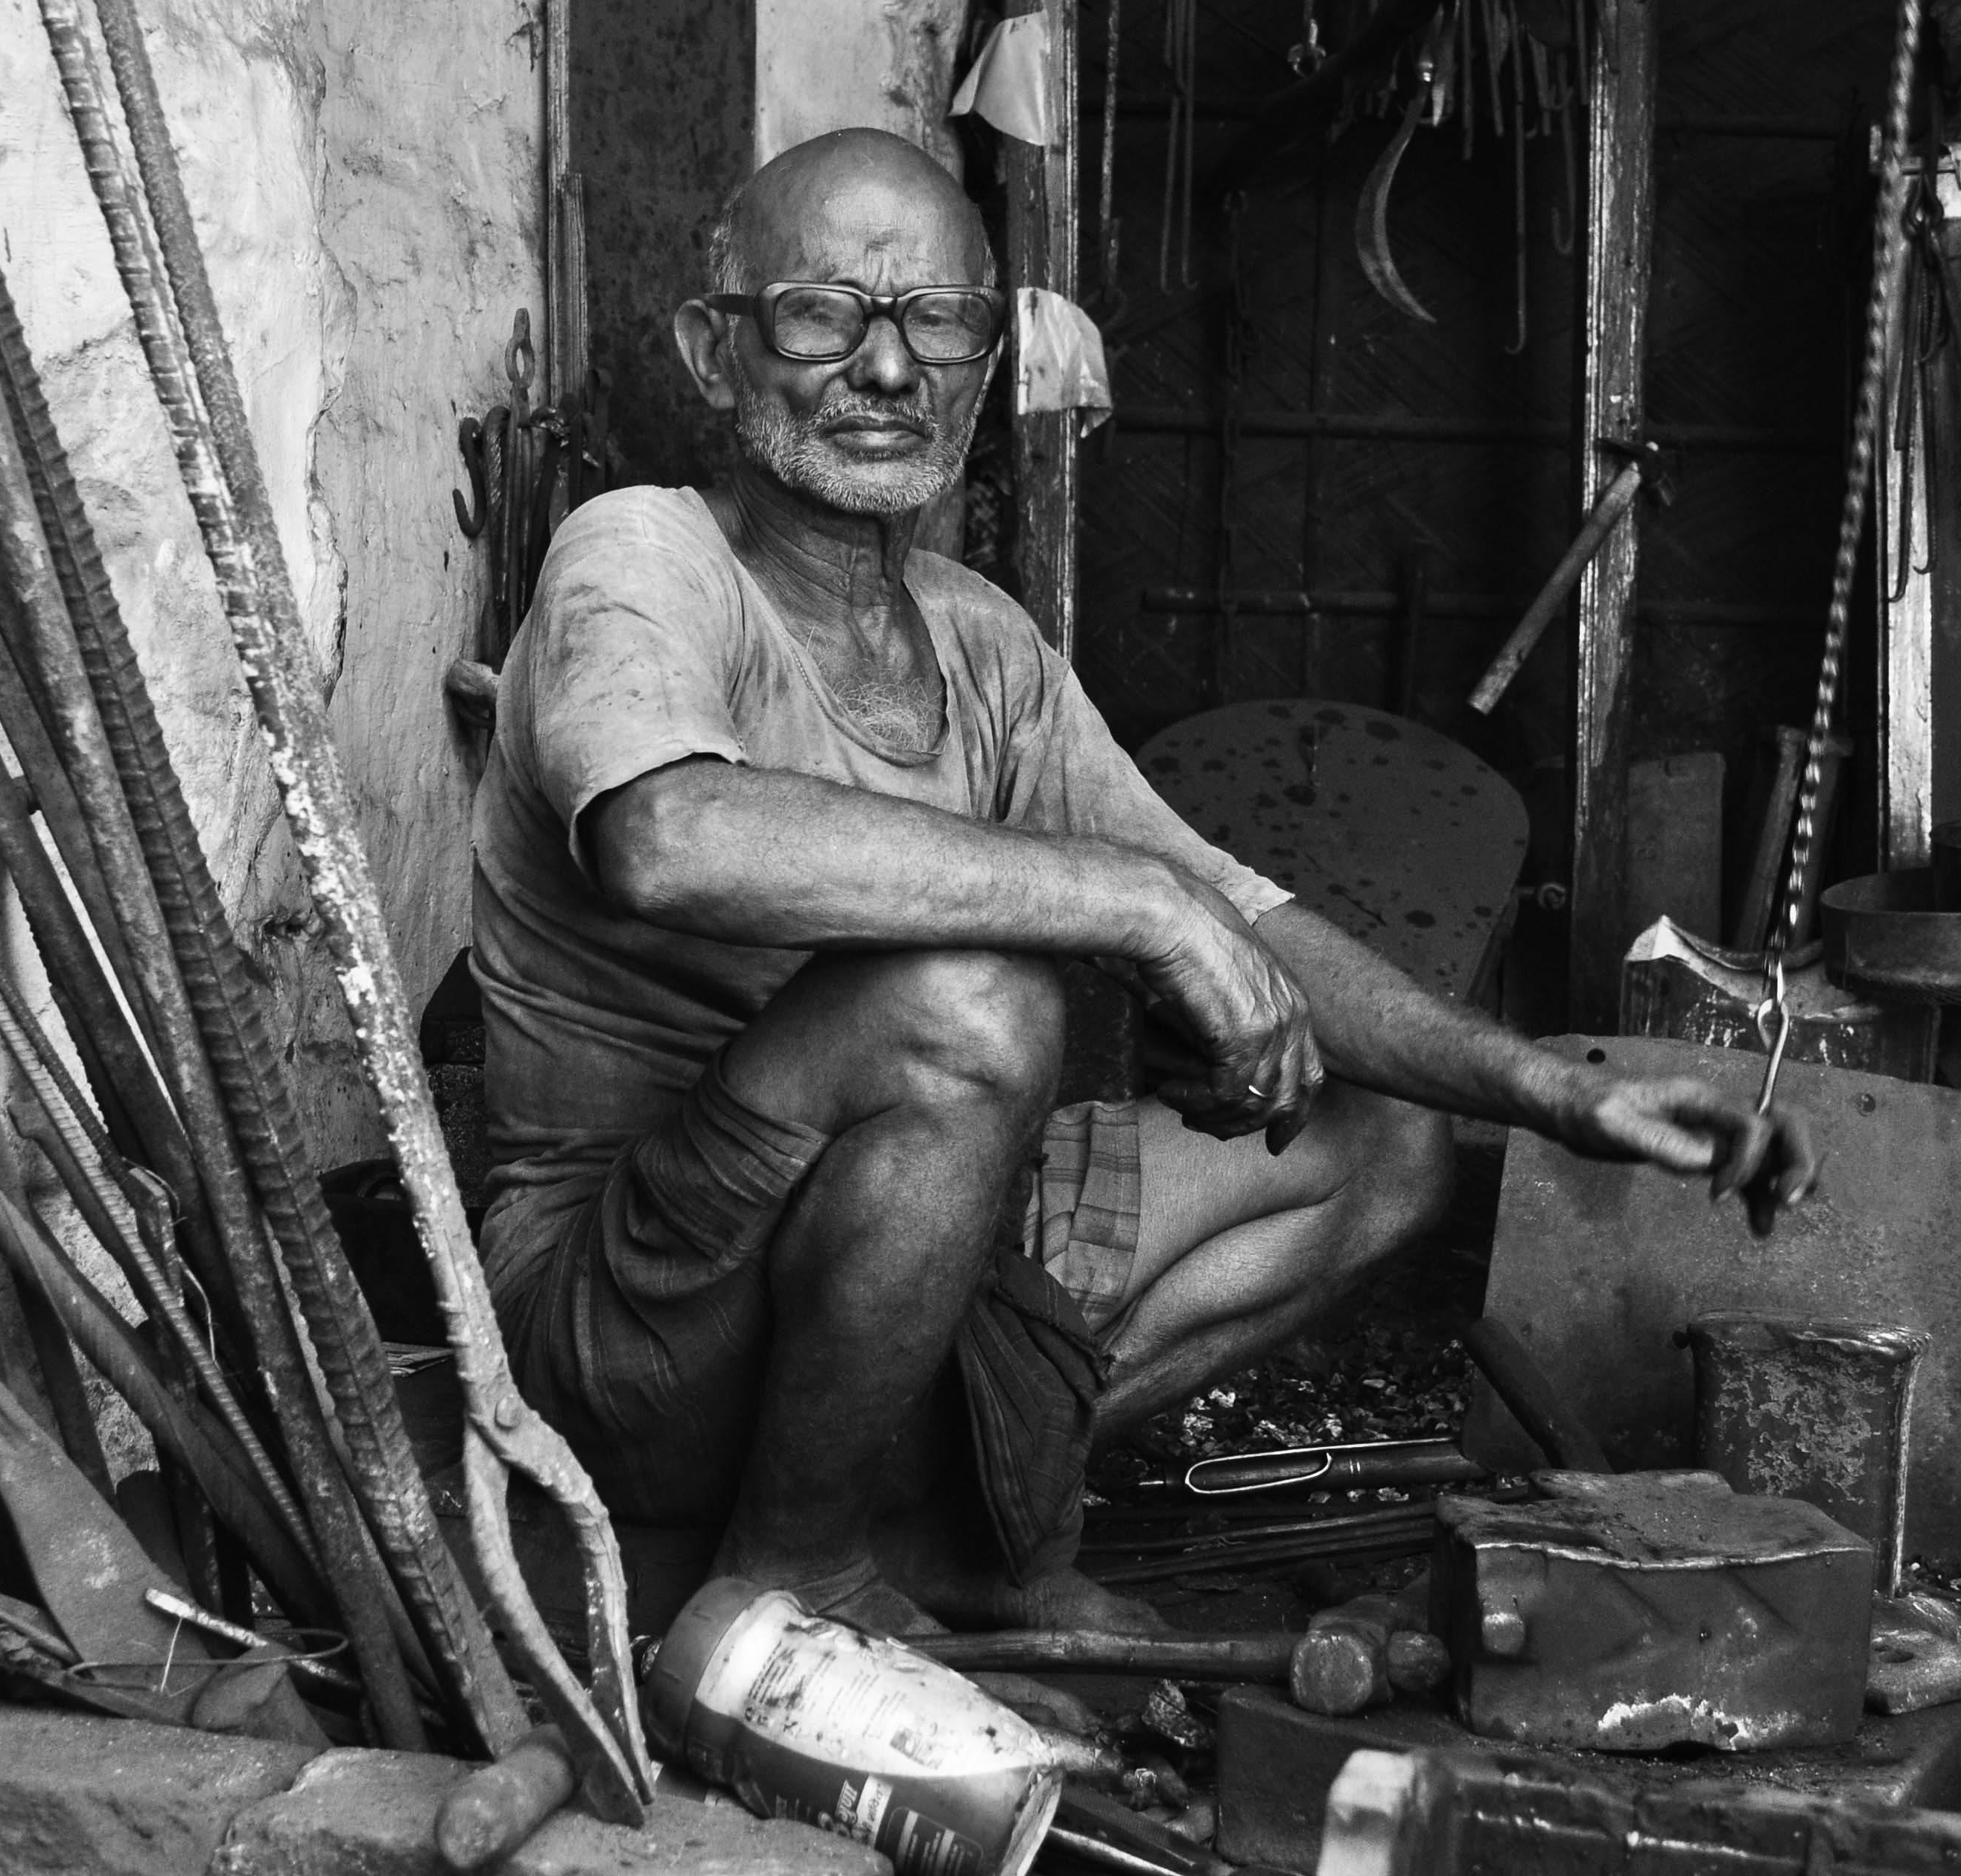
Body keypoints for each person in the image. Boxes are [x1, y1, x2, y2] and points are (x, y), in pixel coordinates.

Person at [468, 127, 1813, 1635]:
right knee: (970, 1007)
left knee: (1381, 1141)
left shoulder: (980, 641)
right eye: (822, 313)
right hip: (630, 1315)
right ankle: (789, 1576)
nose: (888, 368)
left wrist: (1555, 1092)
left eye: (940, 323)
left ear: (989, 364)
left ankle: (927, 1530)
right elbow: (666, 837)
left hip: (880, 1276)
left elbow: (1239, 906)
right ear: (715, 351)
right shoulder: (639, 552)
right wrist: (1124, 901)